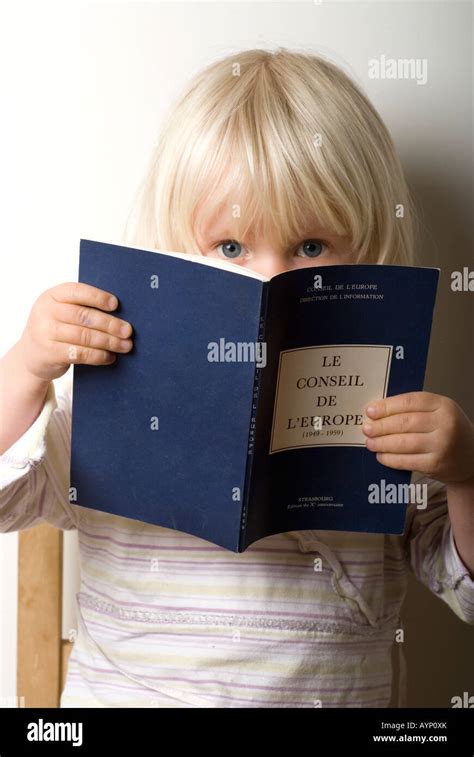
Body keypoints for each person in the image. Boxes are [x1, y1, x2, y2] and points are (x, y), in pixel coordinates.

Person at [1, 48, 473, 708]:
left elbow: (469, 589)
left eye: (311, 246)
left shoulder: (390, 419)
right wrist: (25, 364)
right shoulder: (117, 402)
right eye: (230, 246)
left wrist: (463, 471)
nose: (270, 281)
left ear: (366, 251)